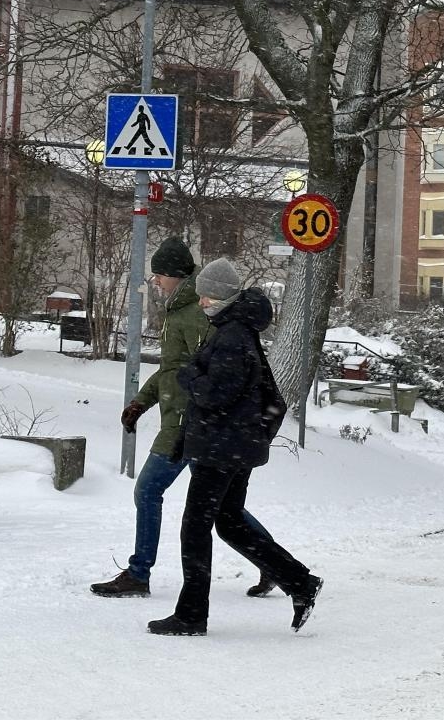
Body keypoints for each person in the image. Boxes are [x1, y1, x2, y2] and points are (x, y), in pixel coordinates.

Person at [147, 257, 322, 636]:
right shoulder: (237, 329)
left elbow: (215, 394)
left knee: (195, 528)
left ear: (222, 296)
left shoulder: (232, 337)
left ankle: (192, 615)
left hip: (220, 448)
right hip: (234, 445)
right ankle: (300, 582)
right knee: (228, 522)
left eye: (208, 296)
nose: (203, 303)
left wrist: (189, 374)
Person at [90, 238, 272, 599]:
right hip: (184, 419)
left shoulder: (195, 314)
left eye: (159, 275)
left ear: (175, 275)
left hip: (189, 424)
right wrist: (142, 402)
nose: (155, 281)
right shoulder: (180, 310)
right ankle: (273, 565)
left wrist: (192, 417)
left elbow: (207, 373)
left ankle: (139, 573)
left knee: (148, 490)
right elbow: (174, 369)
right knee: (224, 510)